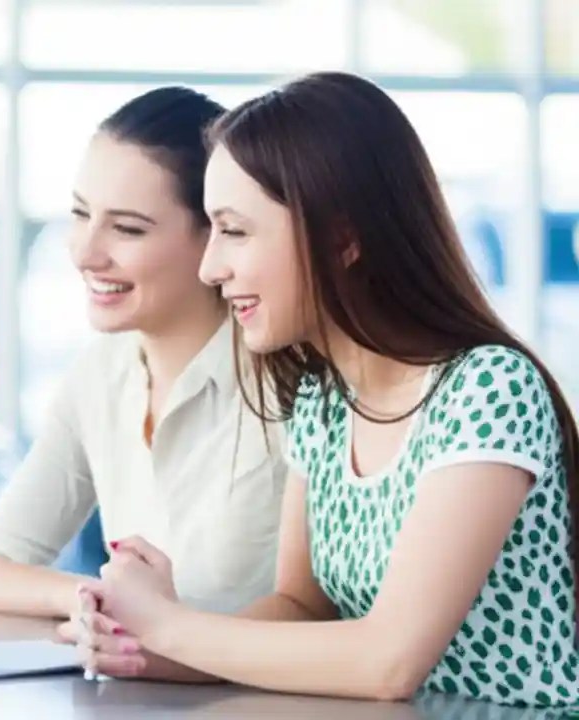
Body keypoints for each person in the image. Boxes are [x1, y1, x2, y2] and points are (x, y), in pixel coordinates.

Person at [79, 71, 579, 709]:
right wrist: (147, 648)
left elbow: (389, 662)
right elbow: (300, 607)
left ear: (341, 239)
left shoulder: (488, 389)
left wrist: (169, 626)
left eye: (234, 230)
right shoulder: (321, 401)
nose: (210, 268)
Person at [0, 87, 287, 679]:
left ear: (215, 235)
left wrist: (157, 631)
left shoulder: (286, 386)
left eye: (128, 229)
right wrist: (96, 601)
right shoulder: (101, 371)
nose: (85, 253)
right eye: (80, 214)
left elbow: (313, 613)